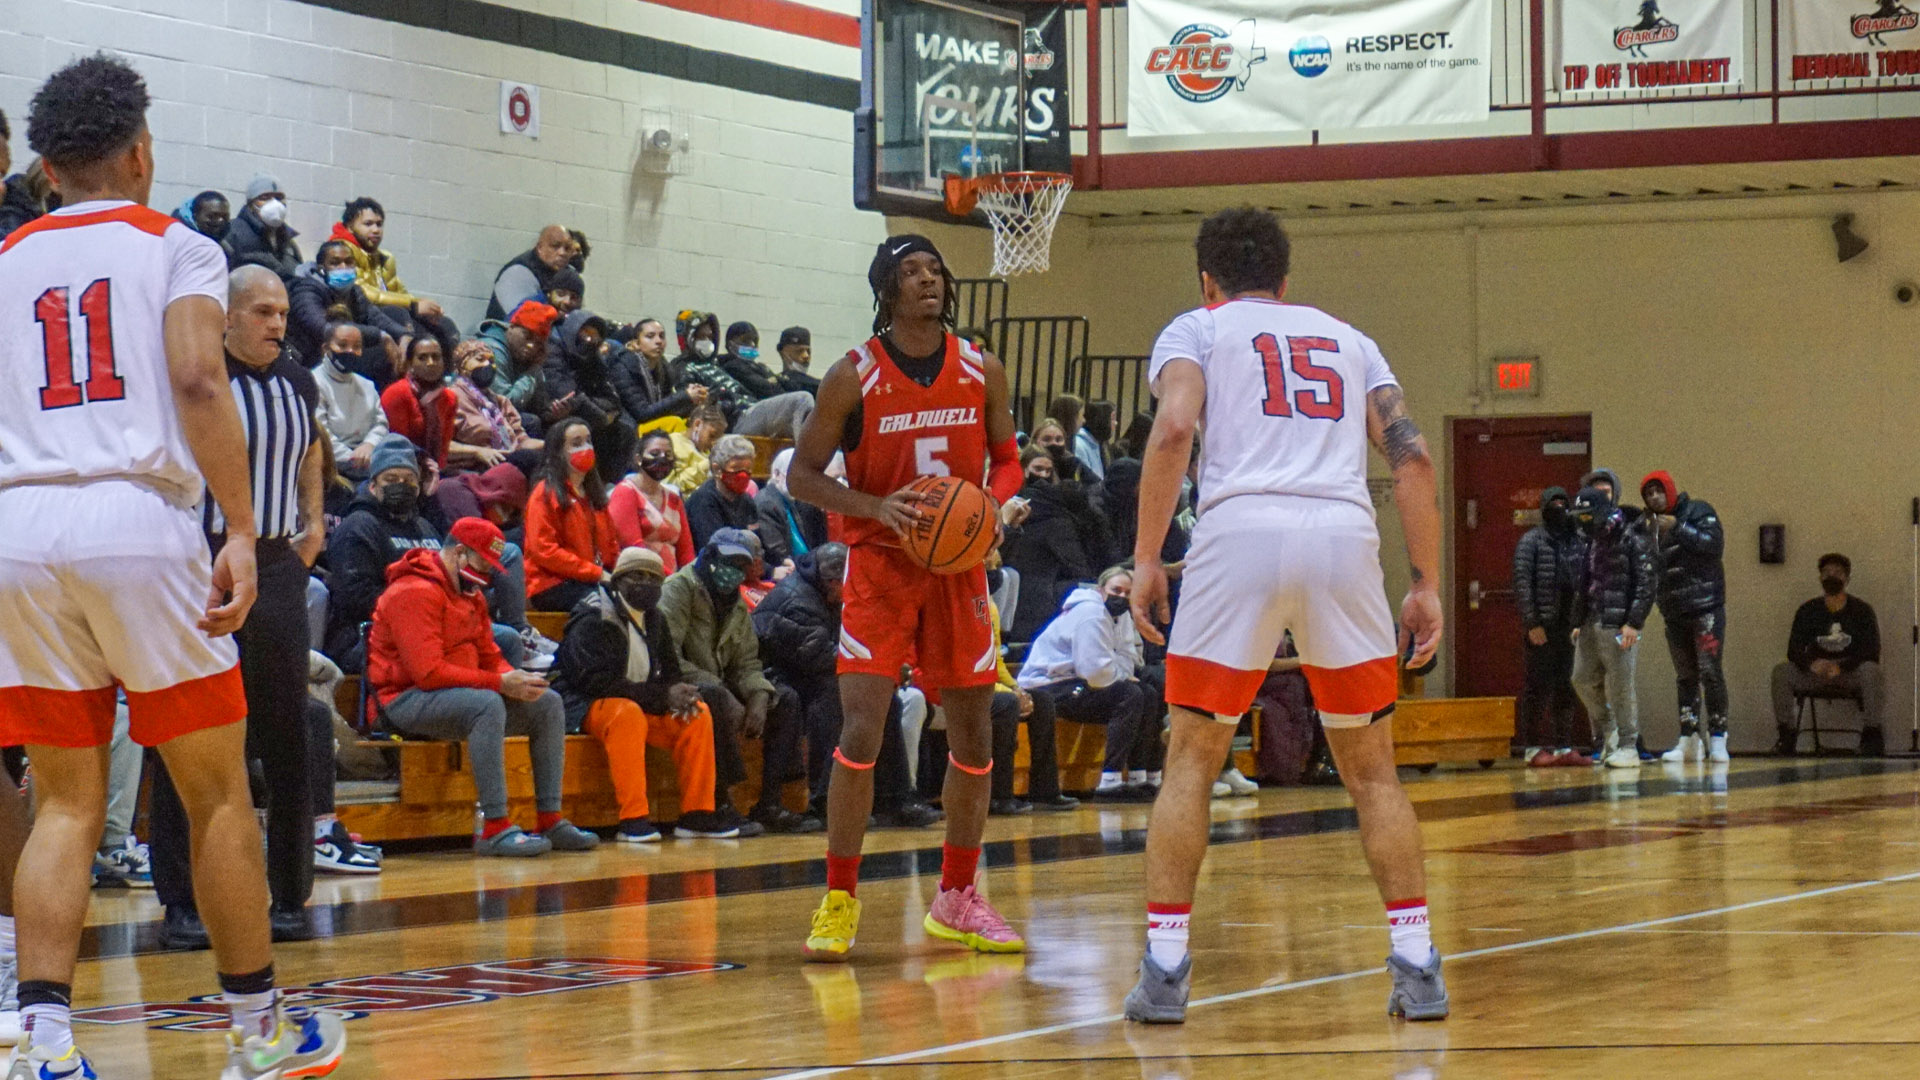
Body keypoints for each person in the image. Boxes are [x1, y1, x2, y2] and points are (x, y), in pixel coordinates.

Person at [0, 55, 344, 1076]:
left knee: (63, 801)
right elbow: (200, 377)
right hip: (136, 519)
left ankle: (41, 1042)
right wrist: (242, 528)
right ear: (142, 152)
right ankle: (259, 1034)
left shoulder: (6, 256)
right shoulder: (176, 245)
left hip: (19, 528)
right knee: (215, 794)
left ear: (47, 166)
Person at [1121, 207, 1448, 1026]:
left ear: (1208, 279)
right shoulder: (1349, 338)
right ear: (1285, 278)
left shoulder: (1195, 329)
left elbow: (1172, 431)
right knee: (1373, 769)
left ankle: (1165, 972)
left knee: (1193, 759)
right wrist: (1427, 582)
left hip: (1239, 533)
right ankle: (1416, 964)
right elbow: (1411, 457)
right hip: (1342, 535)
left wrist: (1148, 559)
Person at [787, 233, 1029, 962]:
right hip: (882, 568)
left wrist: (991, 507)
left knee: (975, 734)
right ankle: (839, 898)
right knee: (861, 732)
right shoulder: (851, 375)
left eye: (935, 271)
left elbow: (1010, 461)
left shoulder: (981, 365)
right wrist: (876, 505)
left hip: (956, 572)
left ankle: (958, 897)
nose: (928, 281)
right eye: (911, 272)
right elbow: (801, 476)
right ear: (887, 290)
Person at [148, 264, 329, 951]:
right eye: (262, 312)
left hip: (278, 563)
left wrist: (313, 524)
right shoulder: (197, 379)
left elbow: (311, 446)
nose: (277, 324)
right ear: (225, 316)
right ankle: (182, 905)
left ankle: (289, 896)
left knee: (288, 733)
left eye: (282, 312)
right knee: (190, 735)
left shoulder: (296, 379)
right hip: (204, 561)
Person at [369, 518, 599, 856]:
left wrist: (516, 681)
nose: (488, 577)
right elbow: (427, 673)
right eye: (483, 565)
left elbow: (490, 655)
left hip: (459, 694)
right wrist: (499, 683)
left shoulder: (470, 594)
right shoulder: (412, 592)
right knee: (486, 704)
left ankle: (550, 818)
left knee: (547, 703)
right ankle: (494, 827)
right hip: (401, 701)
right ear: (460, 554)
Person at [552, 547, 738, 841]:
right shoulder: (593, 616)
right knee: (627, 714)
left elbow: (671, 672)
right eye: (637, 576)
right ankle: (633, 819)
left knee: (696, 713)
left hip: (641, 703)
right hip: (586, 704)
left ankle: (697, 814)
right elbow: (594, 681)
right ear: (618, 580)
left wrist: (677, 692)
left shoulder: (656, 619)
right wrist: (662, 697)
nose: (646, 583)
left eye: (653, 578)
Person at [752, 544, 937, 828]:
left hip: (810, 672)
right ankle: (824, 799)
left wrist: (878, 668)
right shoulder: (797, 600)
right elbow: (818, 657)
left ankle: (895, 798)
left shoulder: (824, 593)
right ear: (830, 581)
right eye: (846, 584)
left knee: (884, 698)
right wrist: (873, 666)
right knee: (836, 698)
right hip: (778, 675)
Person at [659, 529, 809, 835]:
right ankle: (717, 802)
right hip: (675, 686)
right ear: (709, 556)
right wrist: (725, 691)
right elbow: (666, 657)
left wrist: (758, 695)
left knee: (786, 699)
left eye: (742, 566)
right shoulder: (678, 588)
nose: (734, 572)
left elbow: (747, 662)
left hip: (721, 685)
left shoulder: (736, 602)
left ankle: (769, 802)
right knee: (713, 696)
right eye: (728, 562)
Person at [1017, 567, 1160, 798]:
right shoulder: (1090, 613)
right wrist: (1120, 673)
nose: (1121, 597)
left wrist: (1120, 672)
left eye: (1127, 593)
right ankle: (1109, 781)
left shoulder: (1121, 615)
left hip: (1077, 680)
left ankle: (1139, 777)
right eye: (1116, 590)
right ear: (1100, 589)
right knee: (1129, 694)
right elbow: (1094, 672)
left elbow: (1129, 656)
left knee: (1149, 693)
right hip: (1047, 686)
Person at [321, 437, 442, 661]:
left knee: (503, 639)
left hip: (429, 626)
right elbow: (355, 599)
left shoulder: (426, 529)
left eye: (409, 479)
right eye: (391, 479)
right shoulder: (357, 527)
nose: (401, 485)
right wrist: (416, 609)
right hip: (368, 635)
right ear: (372, 485)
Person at [1641, 470, 1730, 764]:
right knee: (1685, 677)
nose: (1654, 497)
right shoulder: (1649, 527)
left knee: (1709, 671)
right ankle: (1689, 737)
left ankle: (1718, 737)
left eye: (1658, 490)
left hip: (1706, 607)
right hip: (1673, 612)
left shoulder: (1698, 510)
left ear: (1670, 490)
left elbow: (1713, 546)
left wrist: (1678, 528)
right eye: (1648, 493)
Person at [1568, 485, 1657, 770]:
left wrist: (1634, 622)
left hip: (1620, 623)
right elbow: (1585, 581)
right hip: (1591, 619)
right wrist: (1577, 620)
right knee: (1581, 678)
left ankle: (1629, 746)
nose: (1583, 523)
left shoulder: (1633, 534)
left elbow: (1646, 583)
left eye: (1587, 517)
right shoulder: (1590, 538)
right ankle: (1610, 731)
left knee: (1621, 685)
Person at [985, 559, 1076, 814]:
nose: (995, 574)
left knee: (1043, 701)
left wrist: (1016, 688)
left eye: (996, 568)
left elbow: (997, 661)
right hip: (965, 685)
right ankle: (999, 795)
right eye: (989, 569)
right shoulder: (963, 606)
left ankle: (1044, 790)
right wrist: (1009, 694)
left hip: (989, 684)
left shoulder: (990, 606)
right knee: (1007, 704)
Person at [1773, 553, 1884, 755]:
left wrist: (1841, 666)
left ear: (1847, 579)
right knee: (1781, 672)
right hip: (1815, 671)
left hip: (1848, 672)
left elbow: (1871, 650)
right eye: (1826, 572)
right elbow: (1794, 649)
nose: (1831, 577)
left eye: (1837, 573)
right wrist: (1811, 664)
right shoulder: (1808, 610)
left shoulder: (1862, 611)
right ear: (1820, 578)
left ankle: (1872, 734)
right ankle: (1786, 735)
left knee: (1872, 671)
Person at [1511, 486, 1589, 766]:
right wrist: (1532, 622)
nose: (1558, 508)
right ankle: (1532, 747)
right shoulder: (1530, 542)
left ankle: (1564, 746)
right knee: (1537, 687)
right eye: (1553, 504)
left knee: (1566, 687)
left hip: (1570, 628)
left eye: (1562, 503)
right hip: (1541, 627)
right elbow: (1522, 584)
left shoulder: (1577, 540)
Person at [1002, 446, 1102, 643]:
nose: (1043, 476)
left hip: (1029, 600)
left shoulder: (1054, 510)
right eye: (1038, 469)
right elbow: (1078, 566)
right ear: (1023, 469)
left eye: (1049, 471)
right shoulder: (1052, 515)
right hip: (1037, 601)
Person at [525, 418, 619, 612]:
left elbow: (611, 545)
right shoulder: (544, 493)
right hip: (552, 584)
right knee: (600, 607)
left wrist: (619, 573)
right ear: (558, 452)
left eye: (588, 441)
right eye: (576, 443)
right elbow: (544, 551)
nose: (585, 447)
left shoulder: (595, 494)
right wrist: (596, 573)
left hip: (593, 579)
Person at [328, 196, 443, 323]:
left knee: (442, 323)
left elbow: (399, 292)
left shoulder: (384, 258)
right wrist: (413, 305)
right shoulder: (342, 252)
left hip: (387, 315)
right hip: (359, 316)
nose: (376, 230)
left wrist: (425, 305)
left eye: (379, 224)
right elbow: (363, 293)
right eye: (368, 224)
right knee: (399, 315)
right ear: (349, 227)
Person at [610, 430, 697, 573]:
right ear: (639, 458)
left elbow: (686, 551)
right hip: (639, 575)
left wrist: (689, 579)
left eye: (668, 455)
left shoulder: (674, 498)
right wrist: (671, 578)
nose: (662, 459)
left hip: (672, 581)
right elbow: (633, 547)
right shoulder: (625, 492)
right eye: (655, 454)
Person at [447, 339, 540, 471]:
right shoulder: (450, 399)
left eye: (491, 361)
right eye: (480, 359)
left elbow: (521, 442)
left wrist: (551, 445)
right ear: (462, 366)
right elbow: (441, 446)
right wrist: (477, 452)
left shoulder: (499, 402)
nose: (487, 365)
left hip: (508, 460)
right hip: (471, 468)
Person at [312, 322, 390, 479]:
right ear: (326, 349)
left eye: (356, 347)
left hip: (368, 457)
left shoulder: (366, 384)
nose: (350, 351)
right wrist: (353, 458)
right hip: (331, 462)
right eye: (342, 345)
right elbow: (320, 434)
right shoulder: (312, 382)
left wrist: (369, 445)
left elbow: (381, 423)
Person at [610, 317, 706, 426]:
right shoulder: (623, 366)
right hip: (631, 429)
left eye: (662, 336)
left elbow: (668, 408)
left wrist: (693, 401)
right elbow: (642, 413)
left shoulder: (664, 367)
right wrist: (684, 396)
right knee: (675, 424)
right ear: (636, 343)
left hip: (654, 422)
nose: (658, 341)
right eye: (650, 336)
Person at [380, 335, 456, 469]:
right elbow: (398, 445)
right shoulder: (397, 393)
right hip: (399, 466)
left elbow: (443, 449)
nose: (431, 363)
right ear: (410, 363)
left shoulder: (449, 398)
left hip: (435, 469)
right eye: (422, 358)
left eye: (436, 357)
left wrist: (437, 472)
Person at [756, 448, 829, 567]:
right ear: (776, 474)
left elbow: (821, 542)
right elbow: (778, 554)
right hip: (790, 566)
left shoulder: (800, 499)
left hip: (808, 562)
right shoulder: (765, 503)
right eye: (794, 477)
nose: (800, 483)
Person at [686, 434, 760, 550]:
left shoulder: (747, 501)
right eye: (736, 468)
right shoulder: (703, 501)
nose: (743, 475)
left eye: (748, 469)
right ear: (717, 469)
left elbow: (758, 542)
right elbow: (713, 549)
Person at [486, 224, 574, 322]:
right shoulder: (517, 272)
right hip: (501, 333)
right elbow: (522, 320)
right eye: (555, 246)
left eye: (567, 248)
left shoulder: (569, 274)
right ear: (540, 247)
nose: (562, 253)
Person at [224, 173, 303, 280]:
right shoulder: (232, 232)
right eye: (265, 197)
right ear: (251, 204)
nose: (275, 203)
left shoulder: (287, 239)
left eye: (279, 198)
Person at [668, 405, 728, 495]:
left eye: (717, 439)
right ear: (697, 424)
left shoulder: (707, 451)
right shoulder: (673, 443)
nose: (713, 443)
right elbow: (672, 485)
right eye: (711, 435)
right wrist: (706, 465)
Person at [1077, 400, 1116, 481]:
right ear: (1102, 419)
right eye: (1112, 418)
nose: (1115, 423)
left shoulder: (1100, 444)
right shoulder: (1079, 444)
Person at [775, 326, 819, 395]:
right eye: (799, 351)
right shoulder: (773, 385)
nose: (806, 356)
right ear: (782, 353)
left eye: (808, 351)